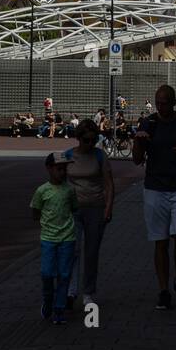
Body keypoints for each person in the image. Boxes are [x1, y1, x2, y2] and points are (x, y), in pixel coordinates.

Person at [132, 84, 176, 310]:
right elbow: (136, 159)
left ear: (173, 102)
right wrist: (139, 140)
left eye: (164, 103)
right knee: (160, 241)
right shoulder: (149, 123)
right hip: (154, 188)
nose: (160, 107)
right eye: (157, 102)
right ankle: (163, 290)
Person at [64, 119, 114, 309]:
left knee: (92, 252)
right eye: (86, 140)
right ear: (79, 138)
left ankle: (88, 292)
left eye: (93, 140)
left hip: (95, 207)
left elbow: (108, 183)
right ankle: (70, 290)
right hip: (73, 209)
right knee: (72, 250)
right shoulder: (68, 155)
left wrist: (108, 207)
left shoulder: (100, 156)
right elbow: (59, 180)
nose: (89, 144)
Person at [31, 152, 78, 325]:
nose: (63, 172)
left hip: (67, 237)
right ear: (49, 169)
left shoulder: (70, 190)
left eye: (65, 168)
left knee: (64, 274)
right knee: (47, 272)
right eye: (59, 169)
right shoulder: (42, 191)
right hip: (48, 238)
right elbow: (35, 211)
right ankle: (48, 299)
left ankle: (59, 308)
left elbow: (74, 207)